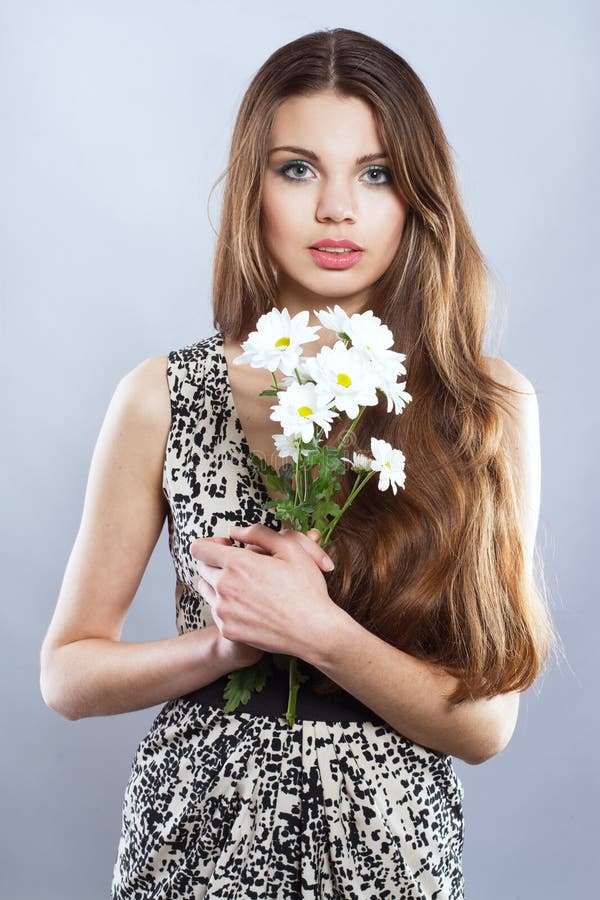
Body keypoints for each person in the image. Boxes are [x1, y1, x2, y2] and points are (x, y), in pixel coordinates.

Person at [39, 27, 557, 899]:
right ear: (253, 187)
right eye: (298, 168)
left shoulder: (483, 404)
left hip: (389, 851)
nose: (337, 210)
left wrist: (320, 632)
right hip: (192, 841)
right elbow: (68, 673)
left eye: (377, 172)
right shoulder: (164, 394)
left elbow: (487, 723)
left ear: (417, 195)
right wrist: (218, 647)